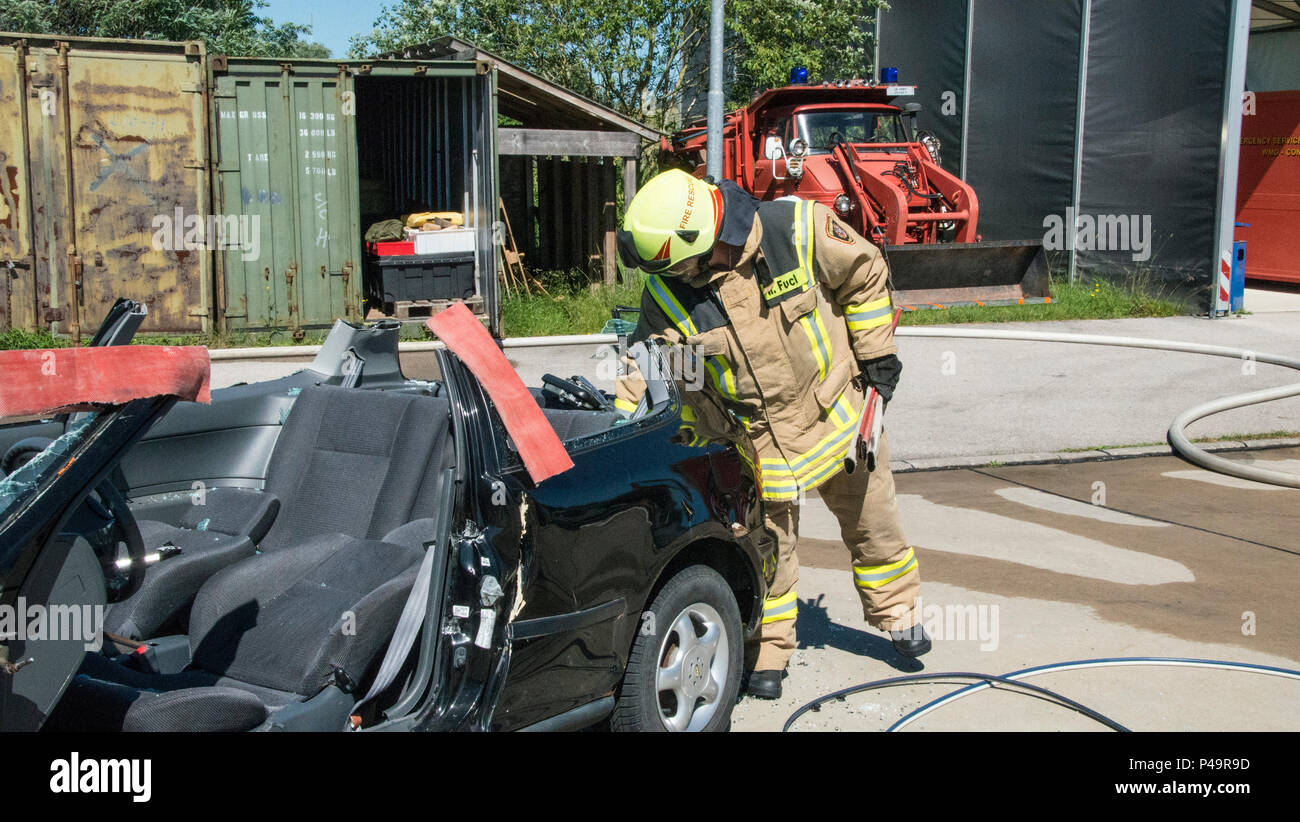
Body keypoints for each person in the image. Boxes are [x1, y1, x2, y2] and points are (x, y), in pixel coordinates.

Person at [615, 169, 930, 700]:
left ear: (704, 241)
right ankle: (772, 647)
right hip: (759, 442)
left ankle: (898, 613)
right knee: (768, 549)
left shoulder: (797, 229)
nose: (672, 276)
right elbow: (642, 361)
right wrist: (616, 420)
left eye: (676, 264)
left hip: (837, 417)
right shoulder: (668, 292)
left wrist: (877, 354)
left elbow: (865, 272)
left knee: (873, 523)